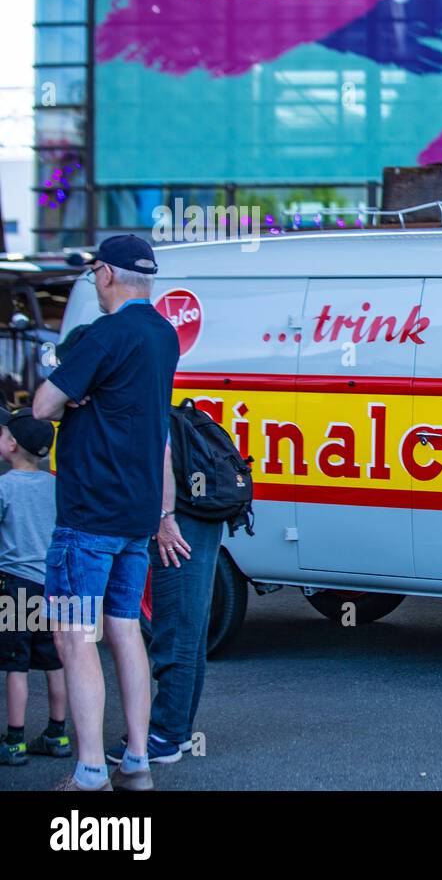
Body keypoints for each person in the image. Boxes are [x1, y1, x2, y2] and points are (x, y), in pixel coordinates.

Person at [32, 234, 180, 792]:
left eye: (95, 270)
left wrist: (71, 393)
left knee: (74, 636)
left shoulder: (104, 334)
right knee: (123, 629)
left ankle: (91, 768)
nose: (94, 280)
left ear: (108, 274)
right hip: (136, 516)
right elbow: (154, 426)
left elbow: (43, 404)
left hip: (88, 512)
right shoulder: (163, 336)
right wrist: (164, 510)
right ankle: (137, 760)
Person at [105, 437, 224, 767]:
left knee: (174, 634)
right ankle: (178, 730)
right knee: (190, 635)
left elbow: (162, 455)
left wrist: (163, 517)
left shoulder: (148, 410)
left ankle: (166, 735)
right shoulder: (172, 414)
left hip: (179, 525)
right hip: (201, 520)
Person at [0, 408, 69, 767]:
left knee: (17, 664)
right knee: (56, 661)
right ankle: (57, 734)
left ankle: (13, 741)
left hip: (16, 588)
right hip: (55, 585)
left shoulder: (4, 487)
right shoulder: (56, 485)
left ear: (11, 444)